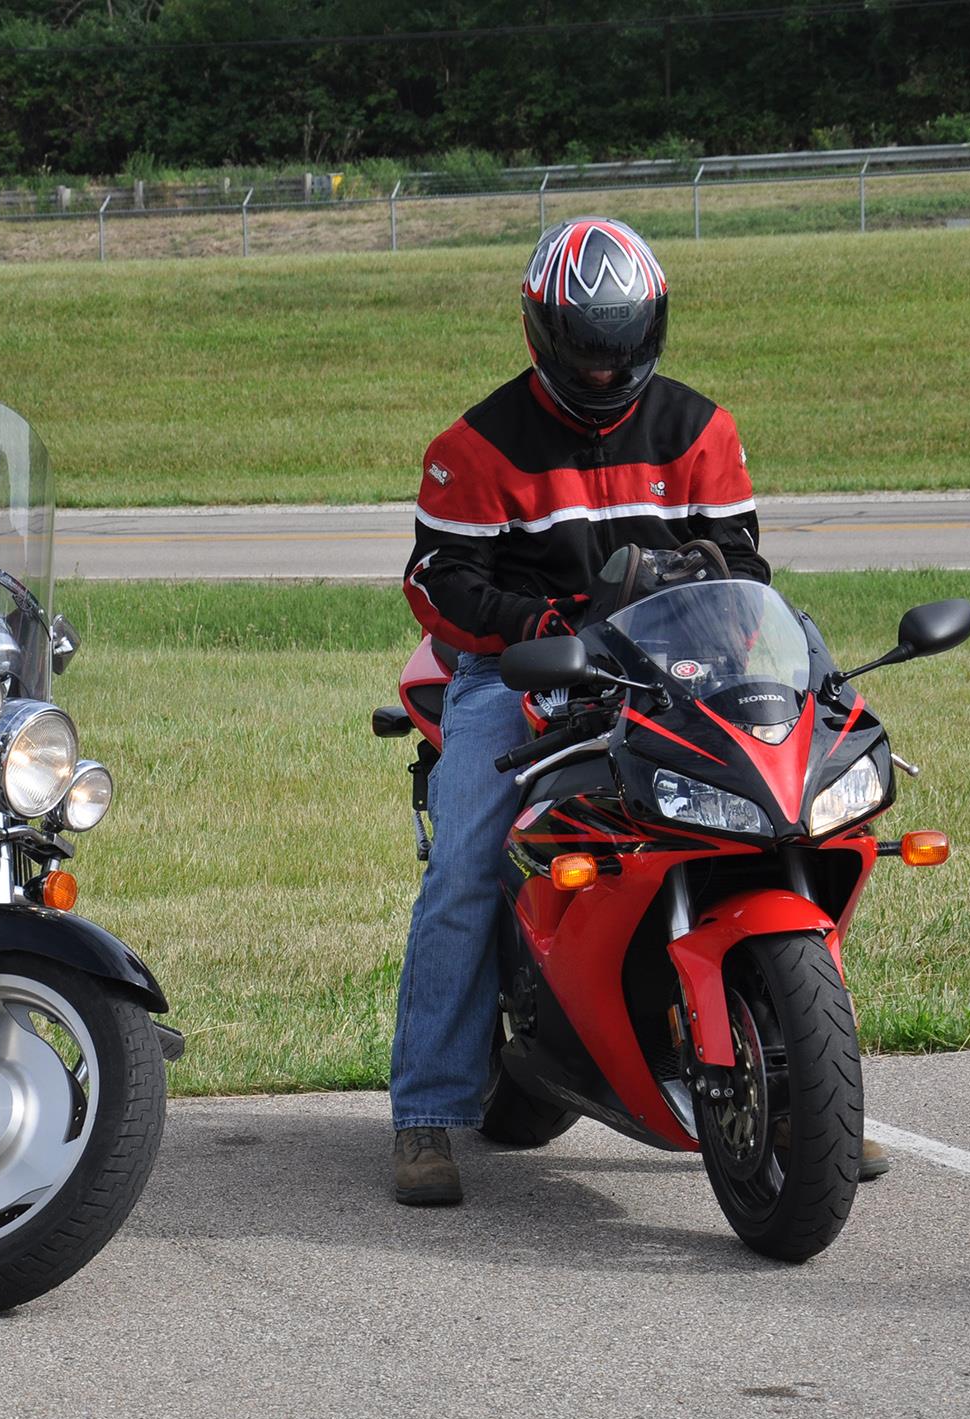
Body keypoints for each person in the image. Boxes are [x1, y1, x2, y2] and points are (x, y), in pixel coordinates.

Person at [386, 216, 890, 1204]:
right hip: (524, 671)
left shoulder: (700, 429)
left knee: (785, 821)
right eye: (590, 352)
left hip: (675, 668)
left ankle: (816, 1095)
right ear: (544, 333)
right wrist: (535, 620)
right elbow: (436, 582)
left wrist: (717, 602)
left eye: (625, 350)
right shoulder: (475, 447)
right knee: (466, 867)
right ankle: (425, 1116)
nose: (610, 374)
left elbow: (744, 567)